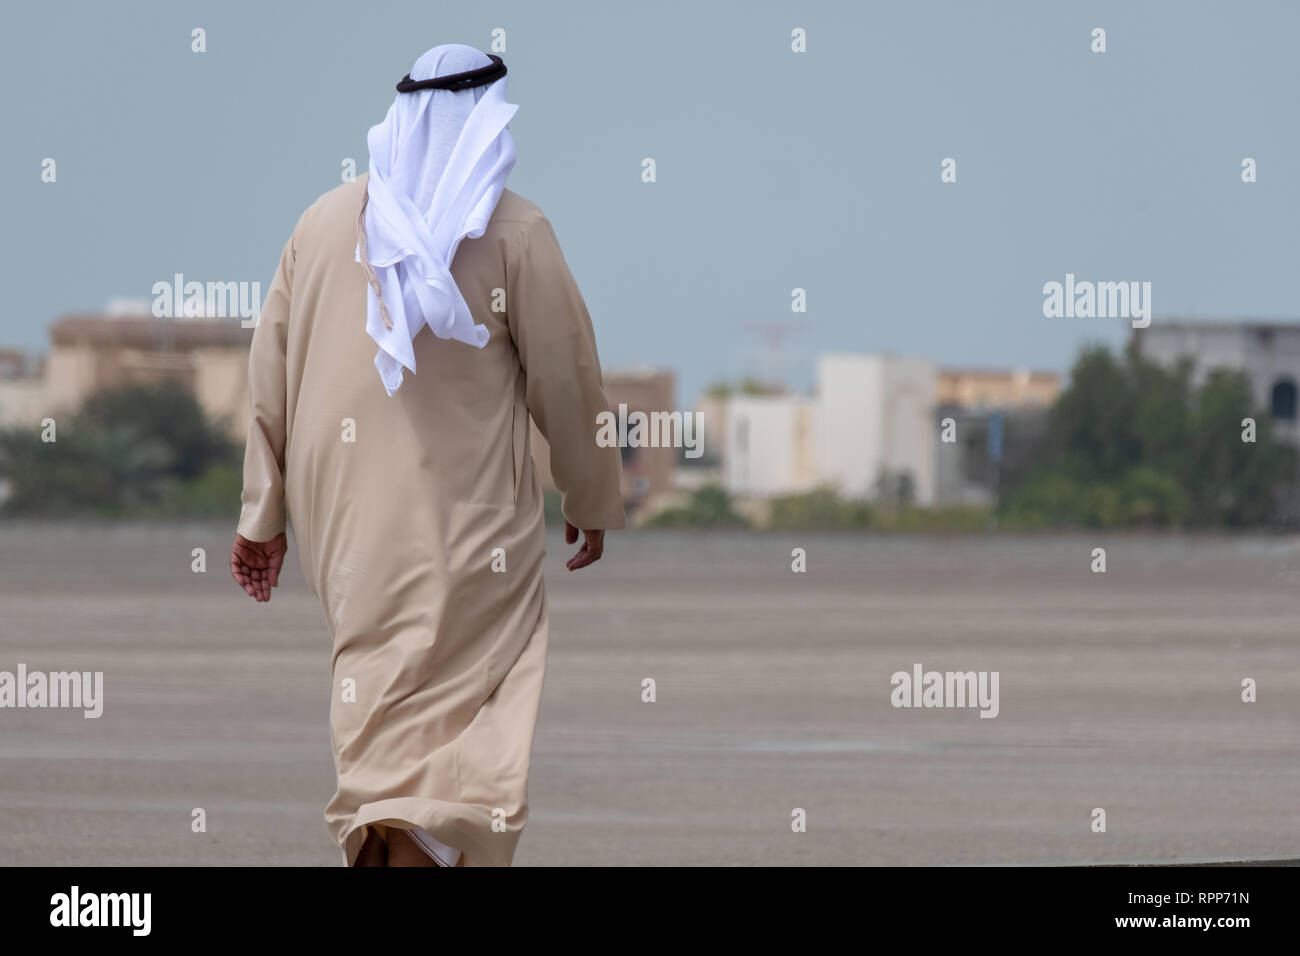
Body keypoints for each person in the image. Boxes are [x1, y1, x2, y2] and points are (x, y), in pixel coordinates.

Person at [229, 43, 625, 867]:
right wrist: (589, 500)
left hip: (345, 534)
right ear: (487, 119)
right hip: (470, 540)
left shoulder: (322, 222)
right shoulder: (517, 231)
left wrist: (263, 514)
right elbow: (569, 378)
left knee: (376, 716)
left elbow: (270, 373)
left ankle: (388, 843)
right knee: (470, 731)